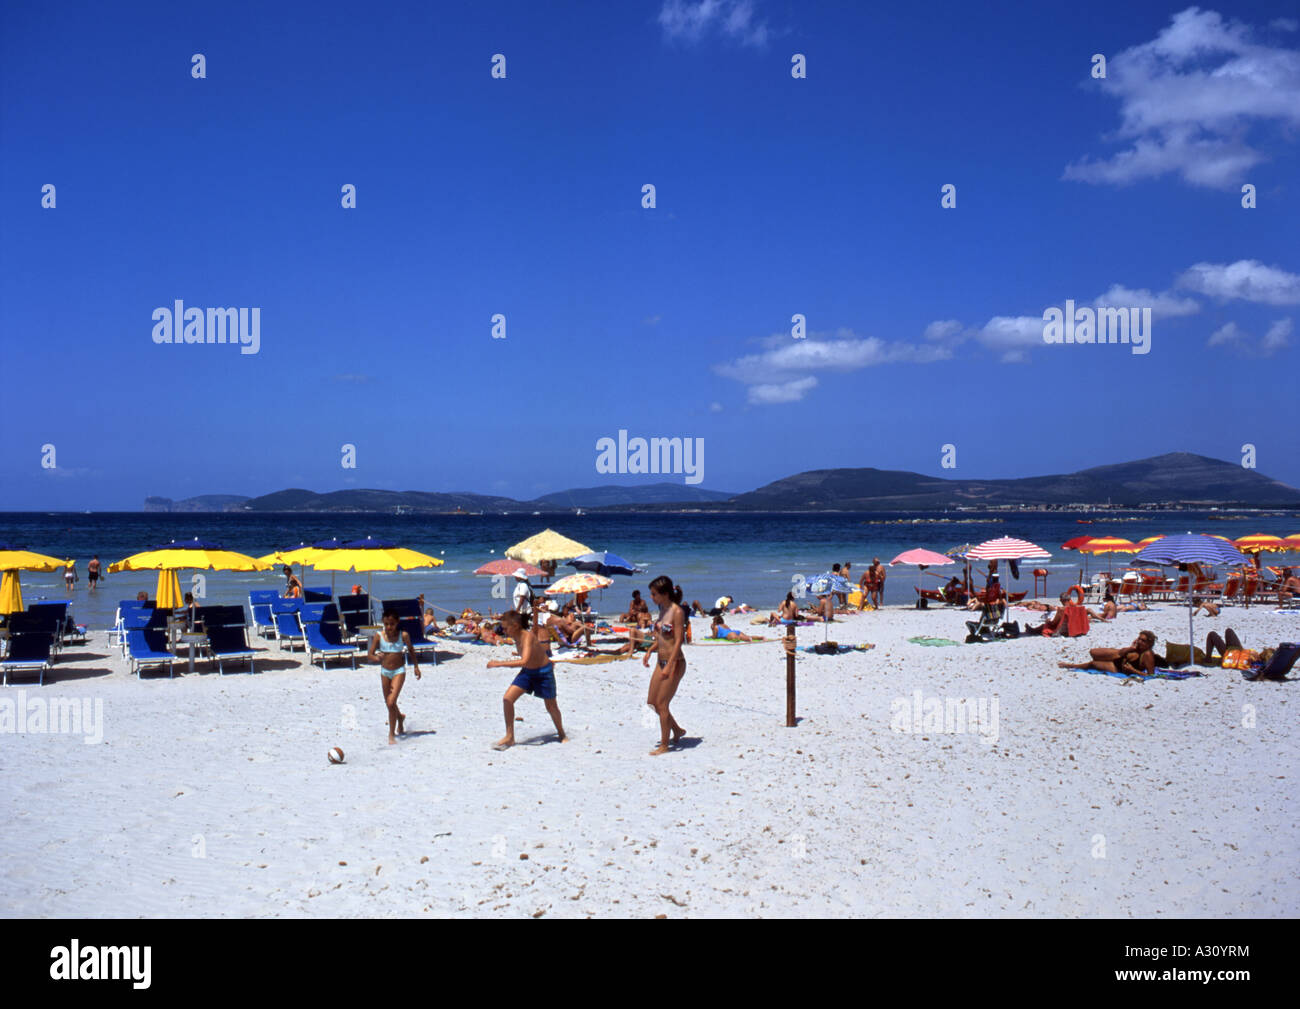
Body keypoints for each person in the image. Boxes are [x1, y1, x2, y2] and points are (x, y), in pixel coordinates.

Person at [487, 609, 565, 749]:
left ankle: (561, 734)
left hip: (543, 672)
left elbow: (523, 661)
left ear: (515, 626)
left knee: (551, 706)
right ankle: (509, 736)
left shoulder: (527, 636)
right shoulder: (515, 636)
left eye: (505, 628)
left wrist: (499, 663)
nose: (503, 630)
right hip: (528, 673)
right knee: (507, 699)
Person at [644, 575, 687, 755]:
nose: (652, 598)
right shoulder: (662, 610)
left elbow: (678, 641)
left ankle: (664, 744)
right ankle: (676, 729)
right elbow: (663, 638)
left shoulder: (677, 612)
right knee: (652, 702)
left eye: (654, 594)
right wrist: (649, 650)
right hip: (660, 660)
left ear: (664, 594)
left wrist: (670, 665)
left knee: (662, 704)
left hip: (675, 662)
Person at [367, 607, 421, 744]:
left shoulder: (403, 636)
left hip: (399, 671)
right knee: (389, 703)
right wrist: (376, 658)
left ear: (397, 623)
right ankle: (400, 718)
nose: (389, 627)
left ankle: (391, 734)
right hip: (385, 672)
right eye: (386, 624)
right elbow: (370, 654)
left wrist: (416, 667)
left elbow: (411, 650)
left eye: (392, 624)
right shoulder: (379, 636)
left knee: (391, 702)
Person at [1058, 630, 1158, 676]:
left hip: (1118, 668)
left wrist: (1133, 670)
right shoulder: (1135, 648)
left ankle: (1072, 666)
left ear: (1149, 643)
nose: (1140, 642)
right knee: (1093, 652)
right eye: (1139, 639)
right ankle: (1072, 665)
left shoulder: (1147, 654)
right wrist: (1130, 648)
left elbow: (1151, 675)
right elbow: (1122, 652)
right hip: (1119, 657)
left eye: (1143, 640)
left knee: (1093, 664)